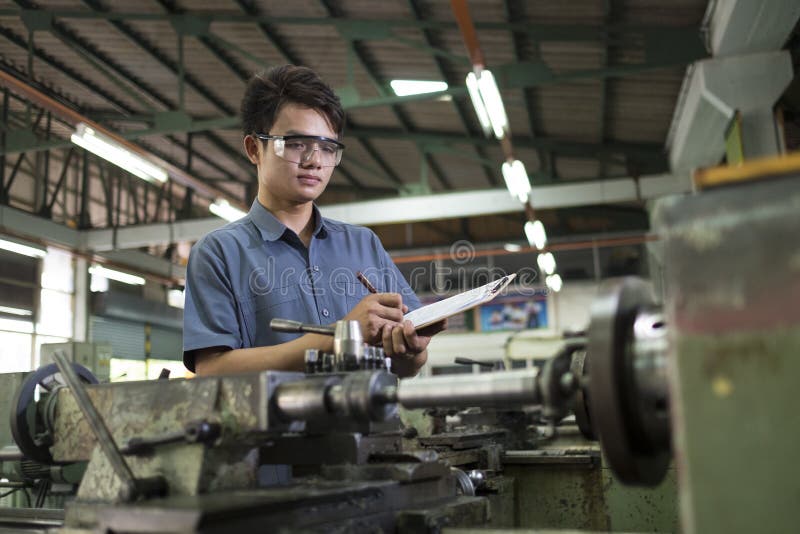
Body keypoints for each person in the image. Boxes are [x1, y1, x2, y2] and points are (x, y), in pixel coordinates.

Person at [182, 65, 445, 378]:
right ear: (254, 149)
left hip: (373, 411)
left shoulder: (363, 244)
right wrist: (339, 336)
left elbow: (408, 365)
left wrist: (412, 350)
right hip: (274, 412)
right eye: (296, 144)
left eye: (327, 147)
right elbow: (211, 369)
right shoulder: (219, 254)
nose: (314, 161)